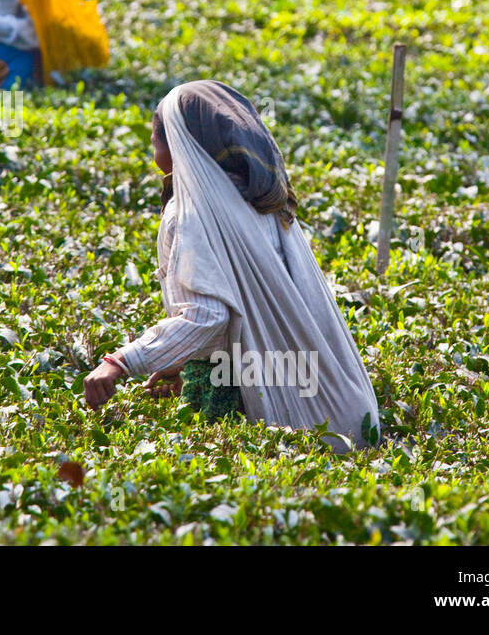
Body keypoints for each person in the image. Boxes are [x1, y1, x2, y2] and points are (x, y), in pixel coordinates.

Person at [83, 81, 380, 451]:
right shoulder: (264, 198)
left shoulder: (192, 211)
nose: (152, 149)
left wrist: (121, 362)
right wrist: (183, 360)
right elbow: (254, 313)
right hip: (348, 413)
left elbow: (208, 316)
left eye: (155, 139)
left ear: (179, 144)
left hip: (269, 416)